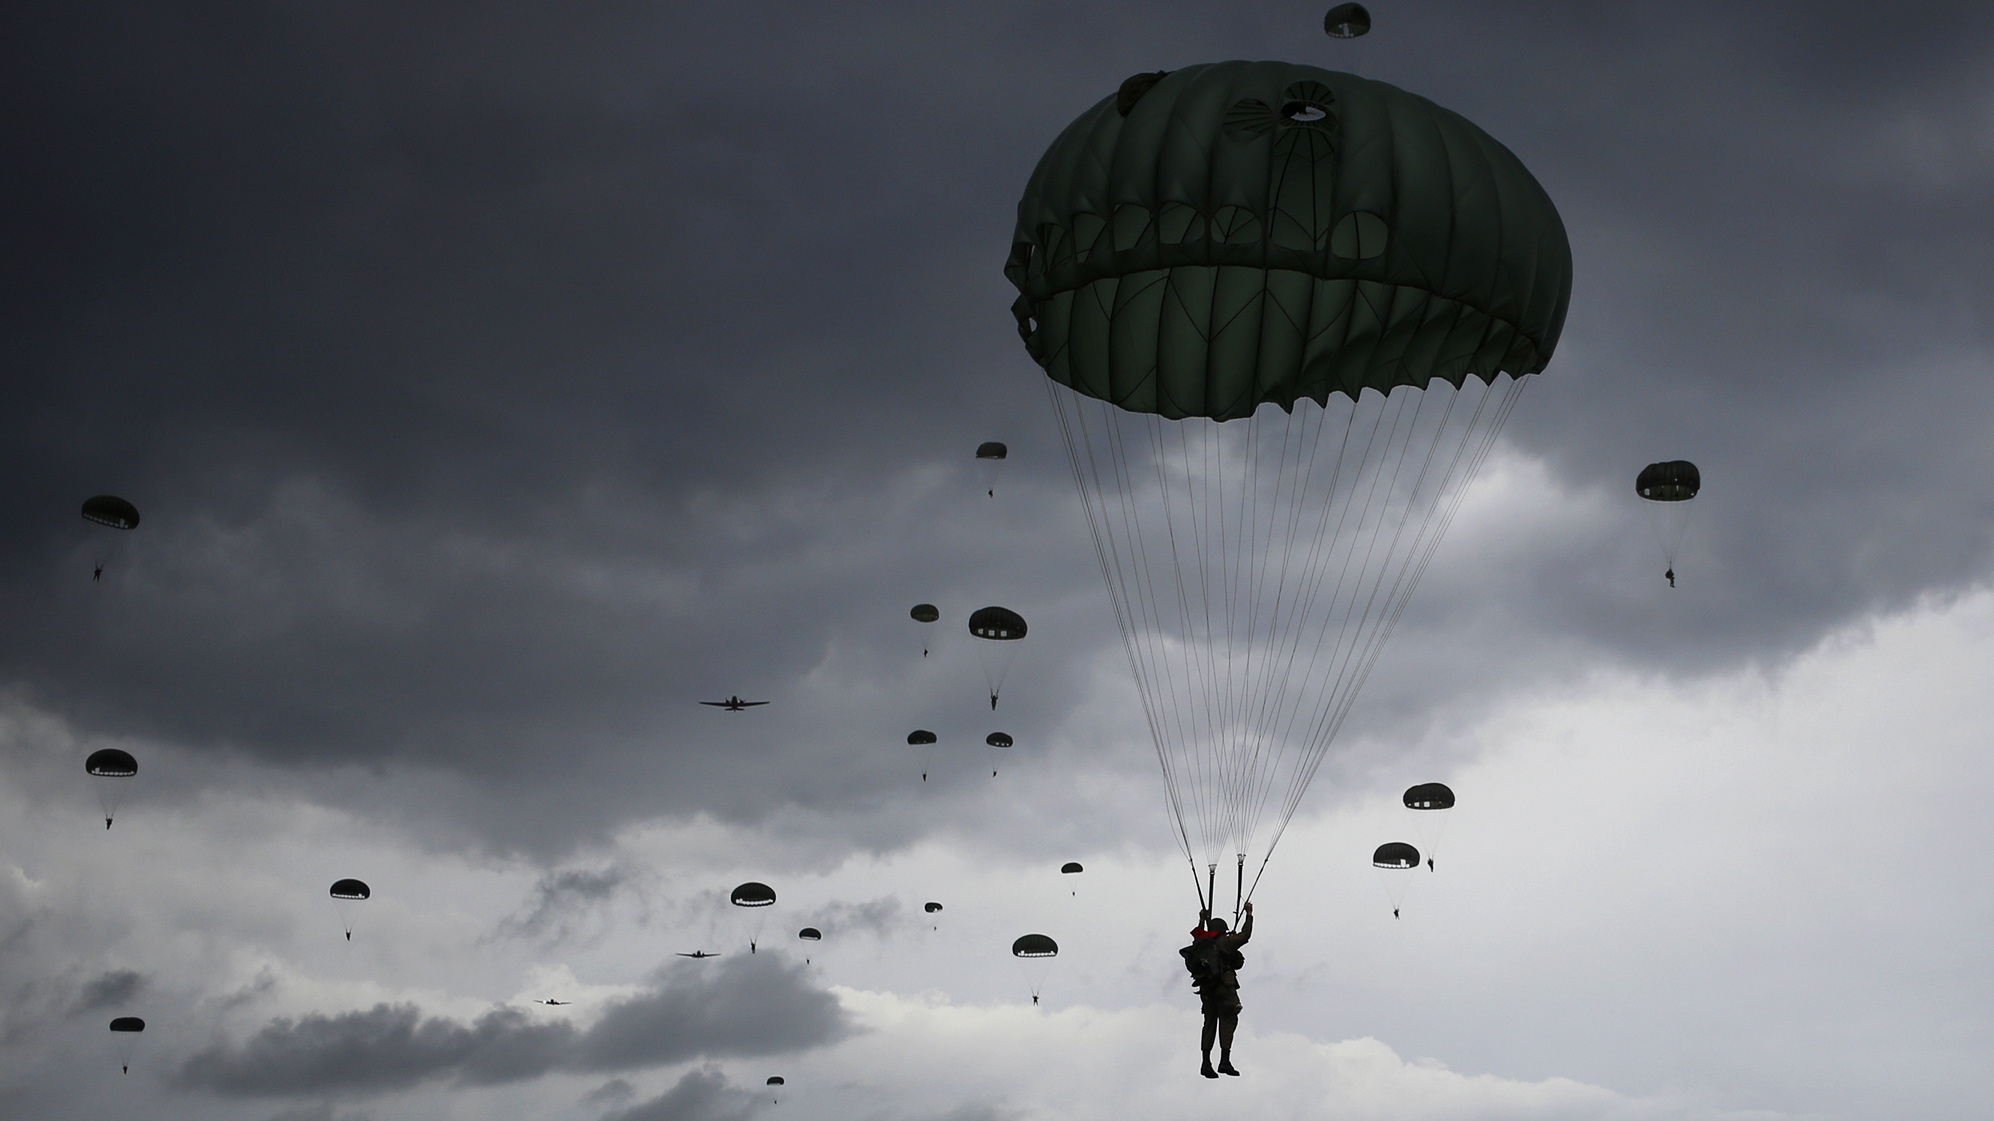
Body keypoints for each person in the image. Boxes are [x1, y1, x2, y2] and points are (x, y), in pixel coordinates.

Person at [1189, 901, 1252, 1078]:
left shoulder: (1202, 943)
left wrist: (1201, 920)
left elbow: (1197, 937)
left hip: (1206, 990)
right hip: (1224, 989)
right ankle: (1224, 1061)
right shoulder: (1226, 942)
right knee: (1228, 1020)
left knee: (1209, 1023)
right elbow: (1245, 935)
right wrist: (1248, 914)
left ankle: (1205, 1063)